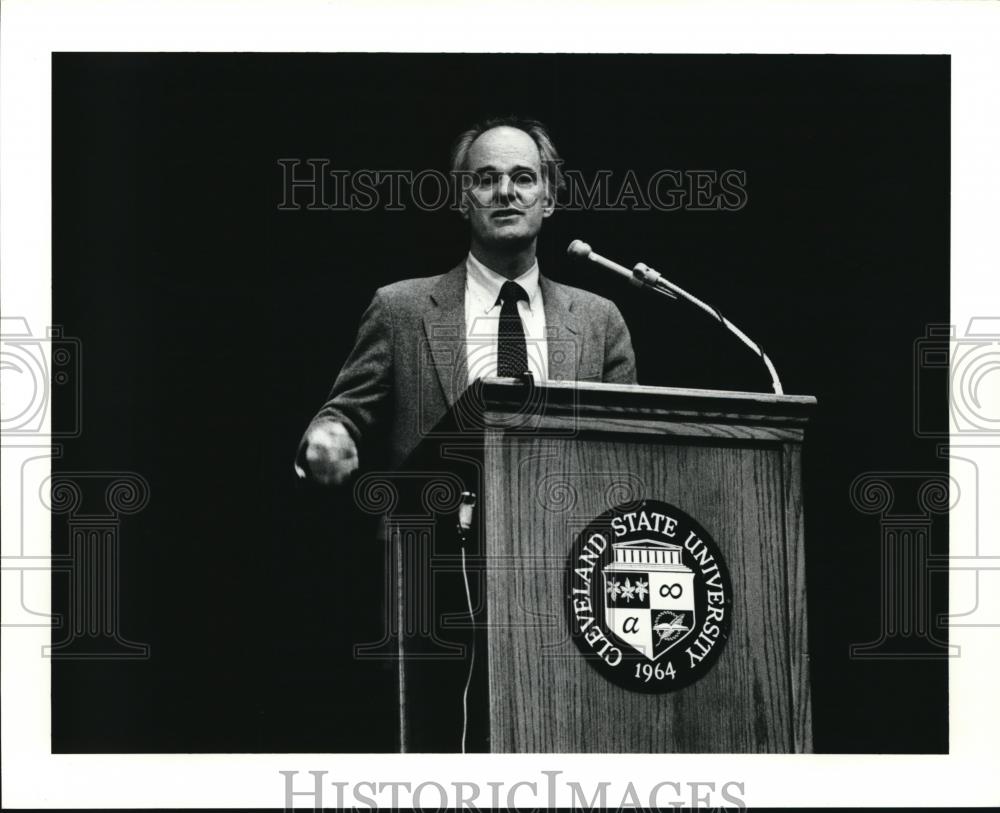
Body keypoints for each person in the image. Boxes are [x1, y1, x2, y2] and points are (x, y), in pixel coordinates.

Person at [295, 116, 637, 485]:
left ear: (549, 199)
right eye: (486, 180)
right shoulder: (399, 310)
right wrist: (327, 436)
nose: (505, 191)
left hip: (564, 537)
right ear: (463, 201)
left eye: (523, 177)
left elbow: (635, 446)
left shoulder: (599, 320)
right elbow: (343, 415)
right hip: (436, 536)